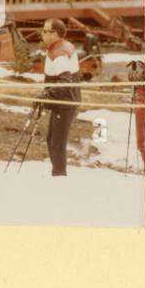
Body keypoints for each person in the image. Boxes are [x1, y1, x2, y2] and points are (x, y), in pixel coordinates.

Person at [40, 18, 81, 177]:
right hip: (63, 101)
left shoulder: (60, 53)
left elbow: (64, 81)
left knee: (56, 143)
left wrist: (46, 95)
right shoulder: (60, 47)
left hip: (65, 103)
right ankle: (57, 173)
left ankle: (59, 175)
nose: (42, 34)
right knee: (52, 139)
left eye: (45, 31)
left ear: (55, 33)